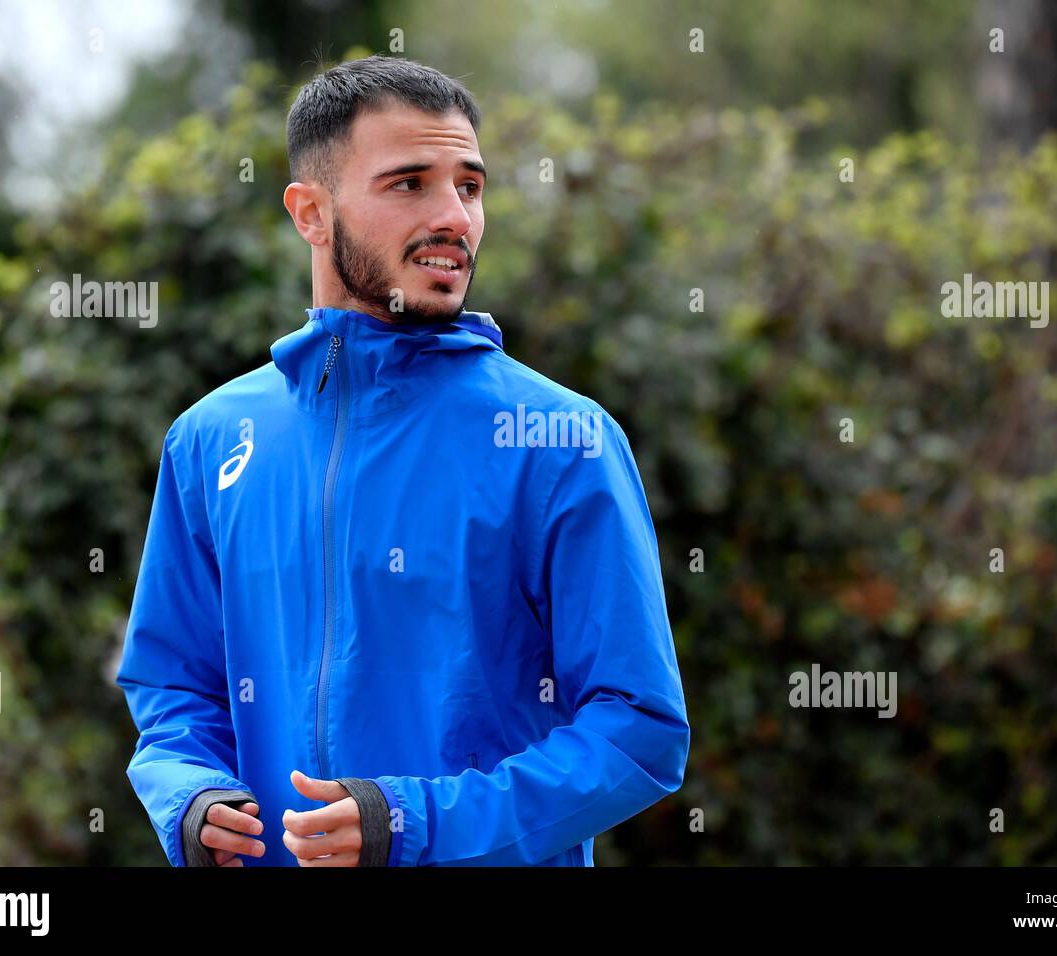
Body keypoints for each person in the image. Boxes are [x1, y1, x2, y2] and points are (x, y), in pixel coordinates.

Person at [116, 54, 690, 867]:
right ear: (311, 214)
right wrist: (191, 799)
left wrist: (414, 824)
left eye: (471, 185)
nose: (454, 215)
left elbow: (640, 731)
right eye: (409, 183)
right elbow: (173, 686)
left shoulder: (561, 439)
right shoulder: (210, 438)